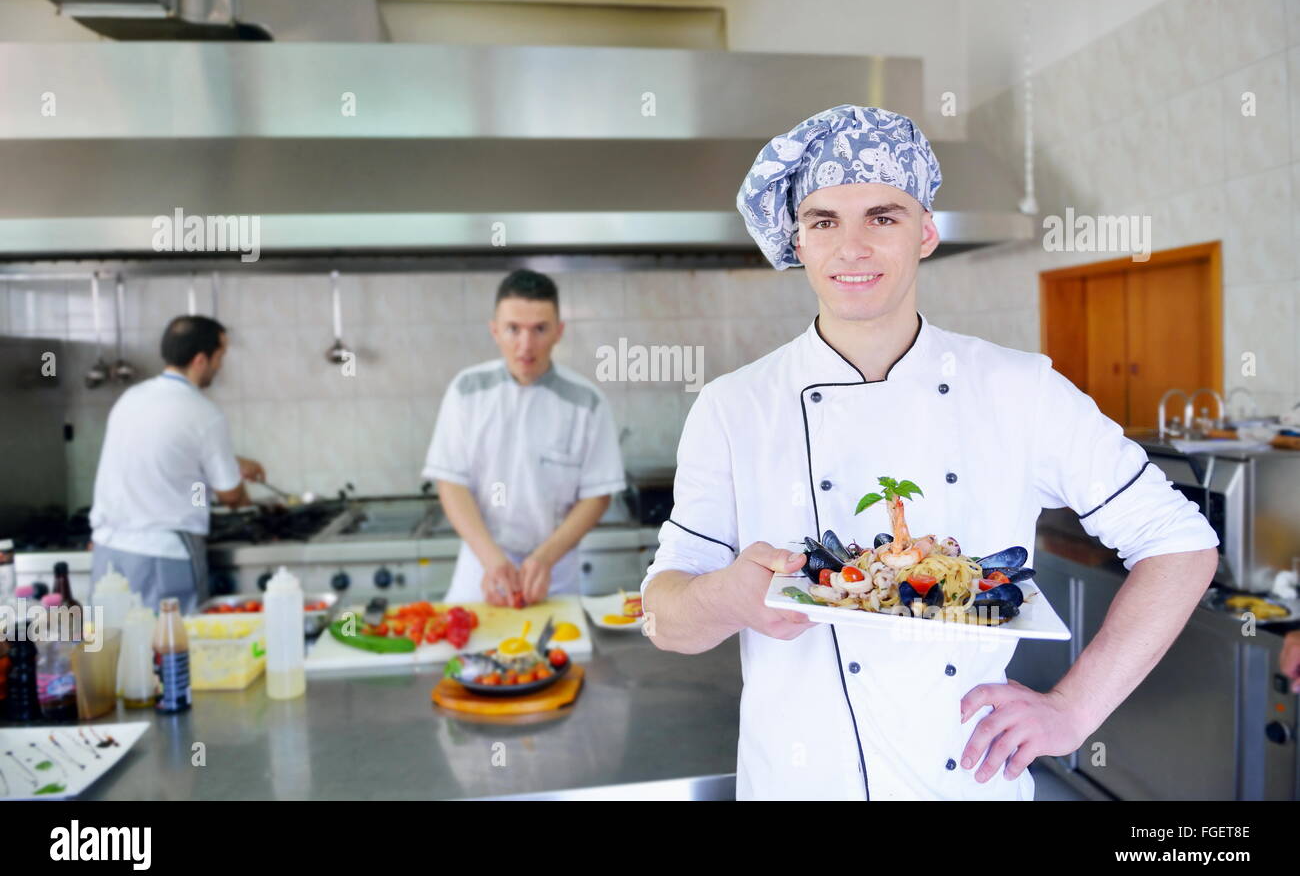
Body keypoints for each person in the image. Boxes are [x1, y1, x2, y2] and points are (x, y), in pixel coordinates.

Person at [641, 104, 1221, 800]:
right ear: (799, 241)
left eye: (882, 217)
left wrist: (1074, 708)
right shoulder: (735, 406)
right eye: (824, 221)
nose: (851, 248)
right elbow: (664, 616)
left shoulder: (1019, 387)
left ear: (926, 233)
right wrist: (725, 595)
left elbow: (1182, 543)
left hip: (967, 785)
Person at [423, 269, 626, 606]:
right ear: (495, 330)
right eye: (513, 329)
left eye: (539, 329)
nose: (526, 345)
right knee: (469, 654)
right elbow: (451, 483)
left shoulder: (587, 402)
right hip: (482, 565)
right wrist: (493, 560)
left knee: (558, 655)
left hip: (554, 568)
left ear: (559, 332)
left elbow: (597, 495)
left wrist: (544, 558)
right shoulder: (466, 390)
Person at [89, 315, 265, 614]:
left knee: (116, 652)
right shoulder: (204, 413)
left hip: (108, 553)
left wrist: (232, 463)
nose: (221, 366)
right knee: (173, 650)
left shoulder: (131, 398)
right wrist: (241, 495)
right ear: (200, 360)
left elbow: (165, 451)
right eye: (220, 357)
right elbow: (230, 495)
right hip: (163, 556)